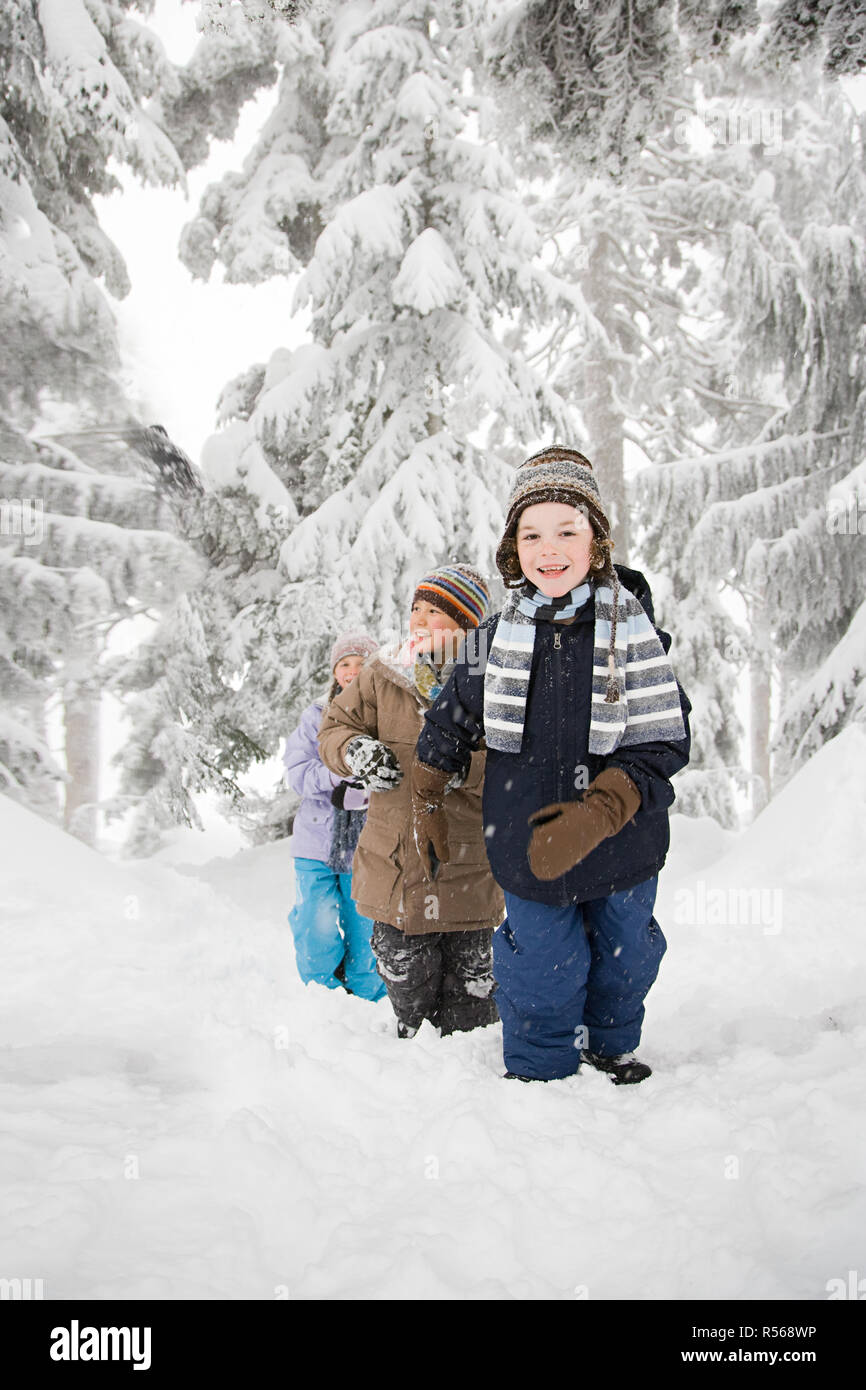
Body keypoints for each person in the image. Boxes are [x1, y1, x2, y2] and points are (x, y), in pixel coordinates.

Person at [411, 446, 692, 1084]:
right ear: (515, 548)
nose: (551, 547)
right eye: (532, 533)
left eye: (569, 529)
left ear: (597, 539)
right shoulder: (493, 638)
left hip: (624, 843)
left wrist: (603, 810)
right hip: (527, 844)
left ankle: (611, 1046)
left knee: (623, 958)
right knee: (541, 961)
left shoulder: (633, 634)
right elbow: (449, 719)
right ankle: (540, 1070)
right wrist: (427, 795)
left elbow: (665, 741)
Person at [318, 565, 504, 1038]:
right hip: (396, 870)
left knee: (473, 1008)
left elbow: (521, 760)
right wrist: (353, 752)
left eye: (435, 612)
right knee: (408, 995)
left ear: (467, 626)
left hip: (469, 871)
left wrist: (467, 769)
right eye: (415, 609)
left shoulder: (495, 676)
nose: (419, 620)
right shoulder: (383, 672)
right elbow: (334, 728)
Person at [283, 632, 385, 1000]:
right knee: (316, 926)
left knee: (368, 929)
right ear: (335, 672)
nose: (353, 671)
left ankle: (367, 998)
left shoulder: (386, 715)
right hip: (316, 842)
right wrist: (339, 771)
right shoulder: (316, 718)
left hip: (369, 845)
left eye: (362, 664)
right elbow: (297, 773)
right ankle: (321, 998)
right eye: (345, 664)